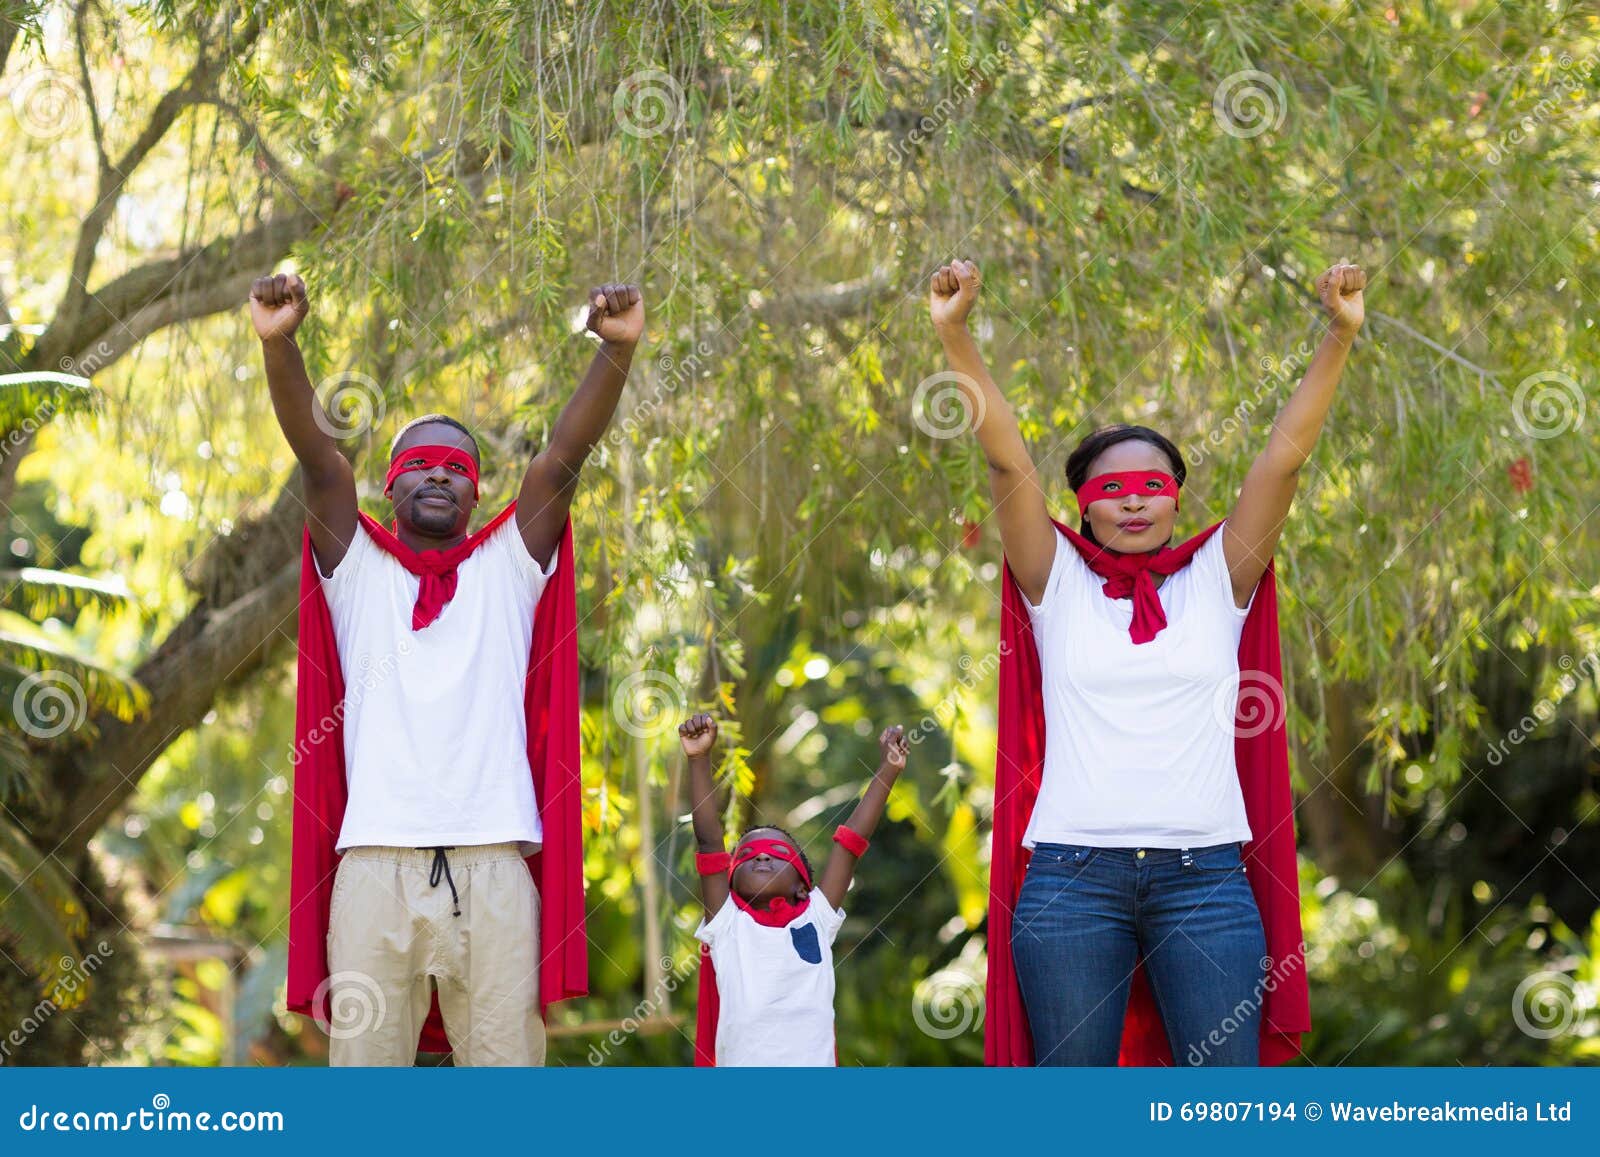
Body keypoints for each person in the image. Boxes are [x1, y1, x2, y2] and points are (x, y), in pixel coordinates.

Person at [927, 257, 1367, 1066]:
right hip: (1070, 882)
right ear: (1084, 506)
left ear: (1176, 497)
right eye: (1113, 487)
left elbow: (1285, 457)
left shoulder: (1218, 576)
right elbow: (1005, 463)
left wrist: (1338, 335)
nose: (1134, 499)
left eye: (1152, 484)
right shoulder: (1053, 580)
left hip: (1206, 882)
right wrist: (955, 336)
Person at [251, 271, 644, 1065]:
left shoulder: (508, 564)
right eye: (420, 464)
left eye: (456, 466)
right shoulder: (356, 564)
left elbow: (564, 456)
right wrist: (279, 343)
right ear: (390, 485)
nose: (438, 473)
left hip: (495, 863)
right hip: (373, 867)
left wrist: (616, 348)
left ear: (476, 490)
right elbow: (320, 462)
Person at [680, 713, 908, 1065]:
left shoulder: (817, 915)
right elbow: (709, 841)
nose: (762, 858)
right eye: (749, 855)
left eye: (778, 854)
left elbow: (850, 842)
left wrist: (888, 770)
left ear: (803, 886)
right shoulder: (728, 924)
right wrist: (698, 759)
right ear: (731, 880)